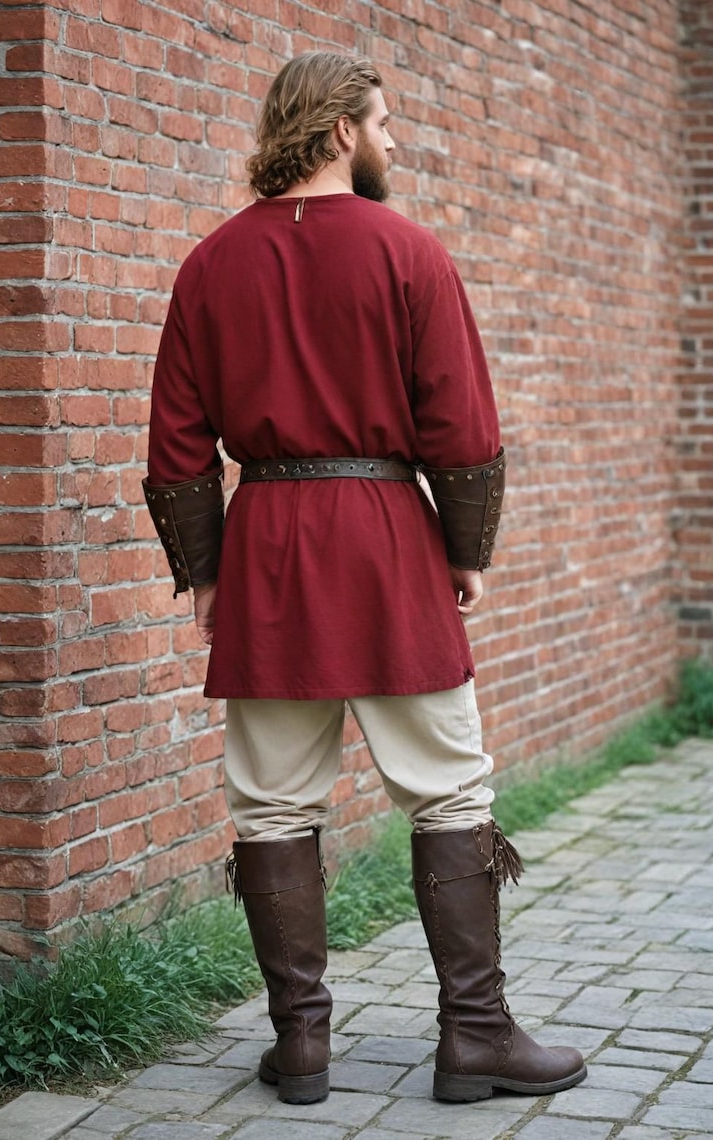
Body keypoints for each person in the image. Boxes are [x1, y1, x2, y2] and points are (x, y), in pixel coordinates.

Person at [144, 51, 586, 1106]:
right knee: (449, 789)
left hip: (271, 551)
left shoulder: (211, 263)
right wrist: (466, 550)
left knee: (272, 803)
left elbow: (176, 448)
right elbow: (464, 430)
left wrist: (207, 573)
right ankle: (473, 1037)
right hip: (387, 539)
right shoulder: (407, 251)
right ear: (339, 129)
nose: (394, 141)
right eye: (384, 123)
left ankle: (301, 1050)